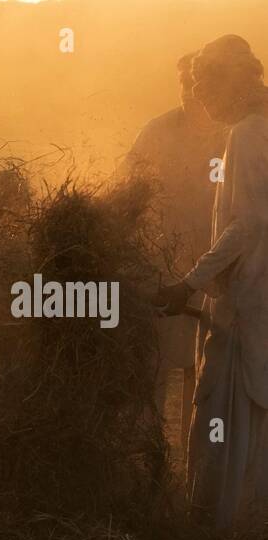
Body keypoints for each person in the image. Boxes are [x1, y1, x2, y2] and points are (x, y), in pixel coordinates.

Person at [156, 35, 268, 533]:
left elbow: (245, 225)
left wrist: (190, 283)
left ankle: (224, 535)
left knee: (229, 420)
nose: (199, 96)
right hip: (254, 297)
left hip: (245, 303)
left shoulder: (246, 134)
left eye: (205, 84)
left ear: (231, 82)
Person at [124, 52, 226, 466]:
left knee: (202, 370)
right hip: (163, 261)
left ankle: (192, 464)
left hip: (216, 266)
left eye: (196, 89)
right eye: (184, 88)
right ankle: (152, 460)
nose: (190, 98)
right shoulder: (157, 132)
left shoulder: (234, 136)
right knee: (158, 362)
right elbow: (127, 186)